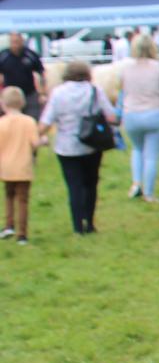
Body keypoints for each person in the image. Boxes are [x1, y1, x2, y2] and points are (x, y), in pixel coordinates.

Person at [39, 59, 119, 236]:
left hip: (66, 146)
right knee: (91, 184)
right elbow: (111, 116)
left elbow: (46, 120)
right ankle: (89, 223)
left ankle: (77, 226)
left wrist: (37, 134)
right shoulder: (94, 91)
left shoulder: (58, 93)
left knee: (74, 186)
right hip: (91, 144)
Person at [117, 32, 159, 203]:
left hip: (131, 114)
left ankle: (136, 183)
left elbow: (122, 90)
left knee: (137, 149)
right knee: (151, 155)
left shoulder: (125, 68)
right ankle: (149, 192)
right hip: (154, 112)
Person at [0, 85, 39, 243]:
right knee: (22, 200)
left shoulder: (1, 122)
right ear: (22, 102)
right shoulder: (29, 121)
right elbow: (35, 143)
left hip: (5, 167)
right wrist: (42, 140)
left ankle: (9, 225)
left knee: (8, 196)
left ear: (3, 103)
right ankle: (22, 234)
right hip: (24, 167)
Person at [1, 31, 47, 123]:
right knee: (11, 122)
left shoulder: (31, 55)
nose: (15, 44)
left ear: (22, 41)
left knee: (32, 120)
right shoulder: (3, 56)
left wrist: (42, 94)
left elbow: (41, 74)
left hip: (29, 94)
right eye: (13, 42)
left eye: (17, 41)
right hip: (10, 95)